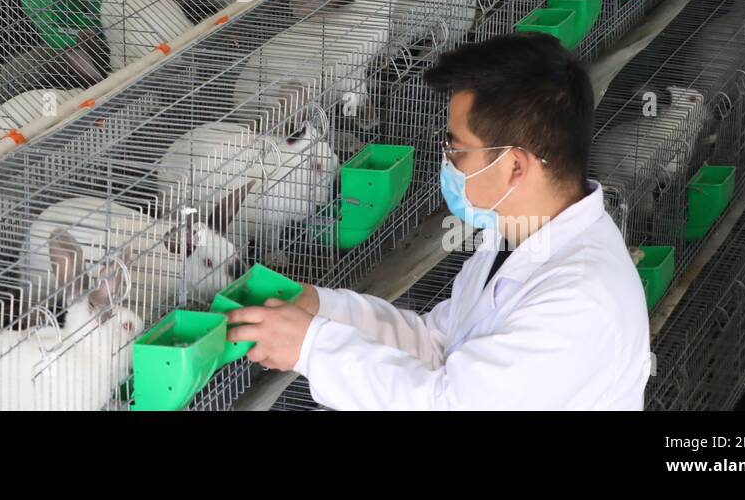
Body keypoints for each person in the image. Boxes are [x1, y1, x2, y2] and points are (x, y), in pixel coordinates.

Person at [224, 32, 652, 410]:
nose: (447, 162)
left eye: (458, 148)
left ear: (515, 167)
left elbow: (447, 402)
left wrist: (312, 346)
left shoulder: (579, 299)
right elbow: (438, 345)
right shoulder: (515, 239)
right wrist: (323, 308)